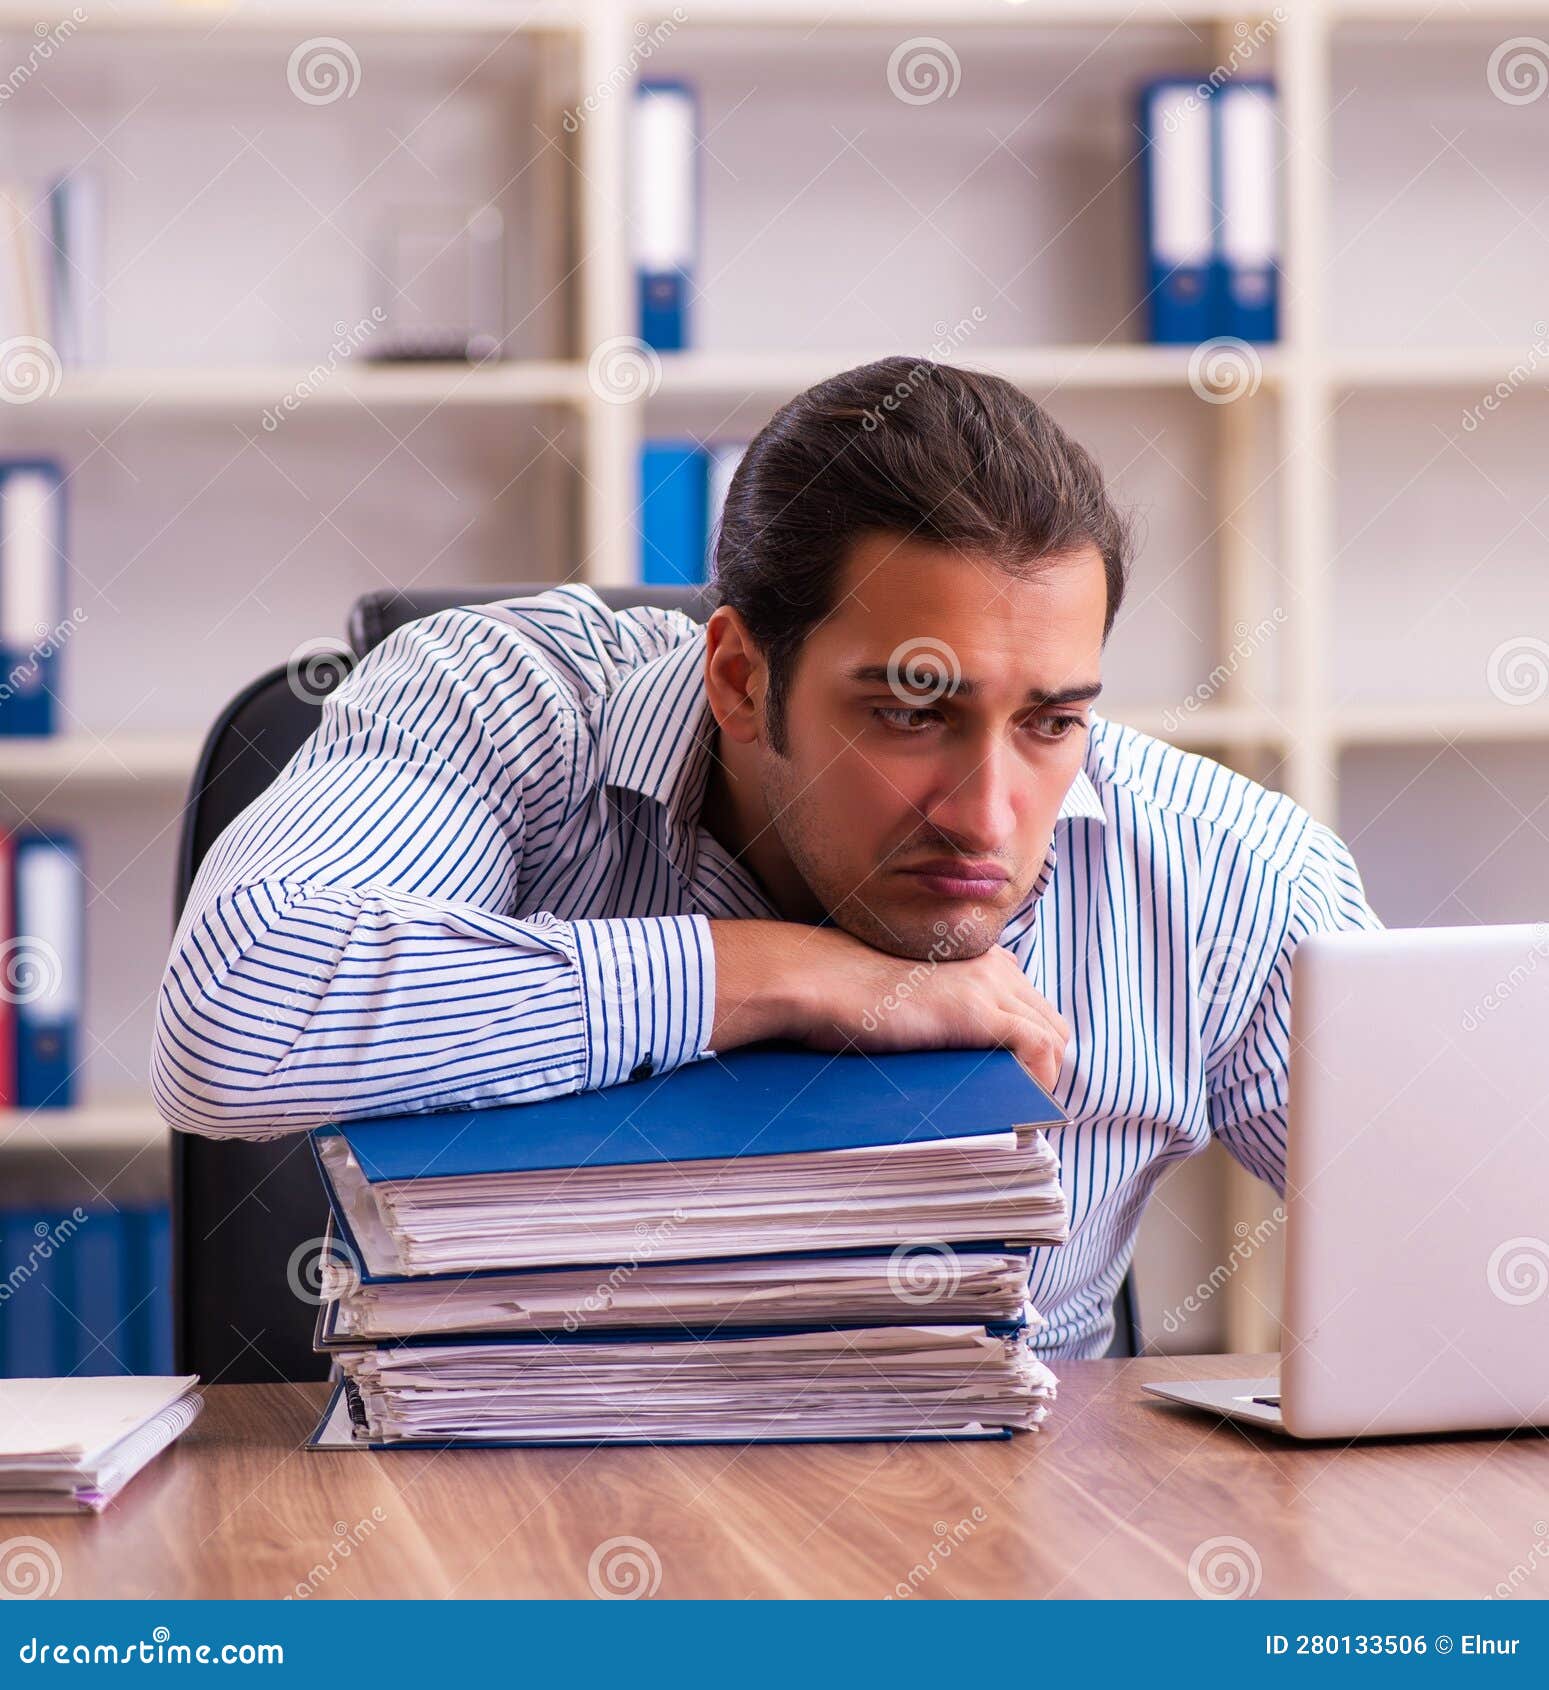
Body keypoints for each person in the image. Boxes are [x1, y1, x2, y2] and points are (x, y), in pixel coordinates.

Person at [152, 356, 1381, 1357]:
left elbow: (1476, 1255)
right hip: (498, 1543)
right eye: (911, 710)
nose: (989, 813)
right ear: (740, 677)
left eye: (1052, 721)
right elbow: (233, 1020)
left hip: (995, 1568)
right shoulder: (500, 709)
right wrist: (776, 974)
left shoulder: (1222, 874)